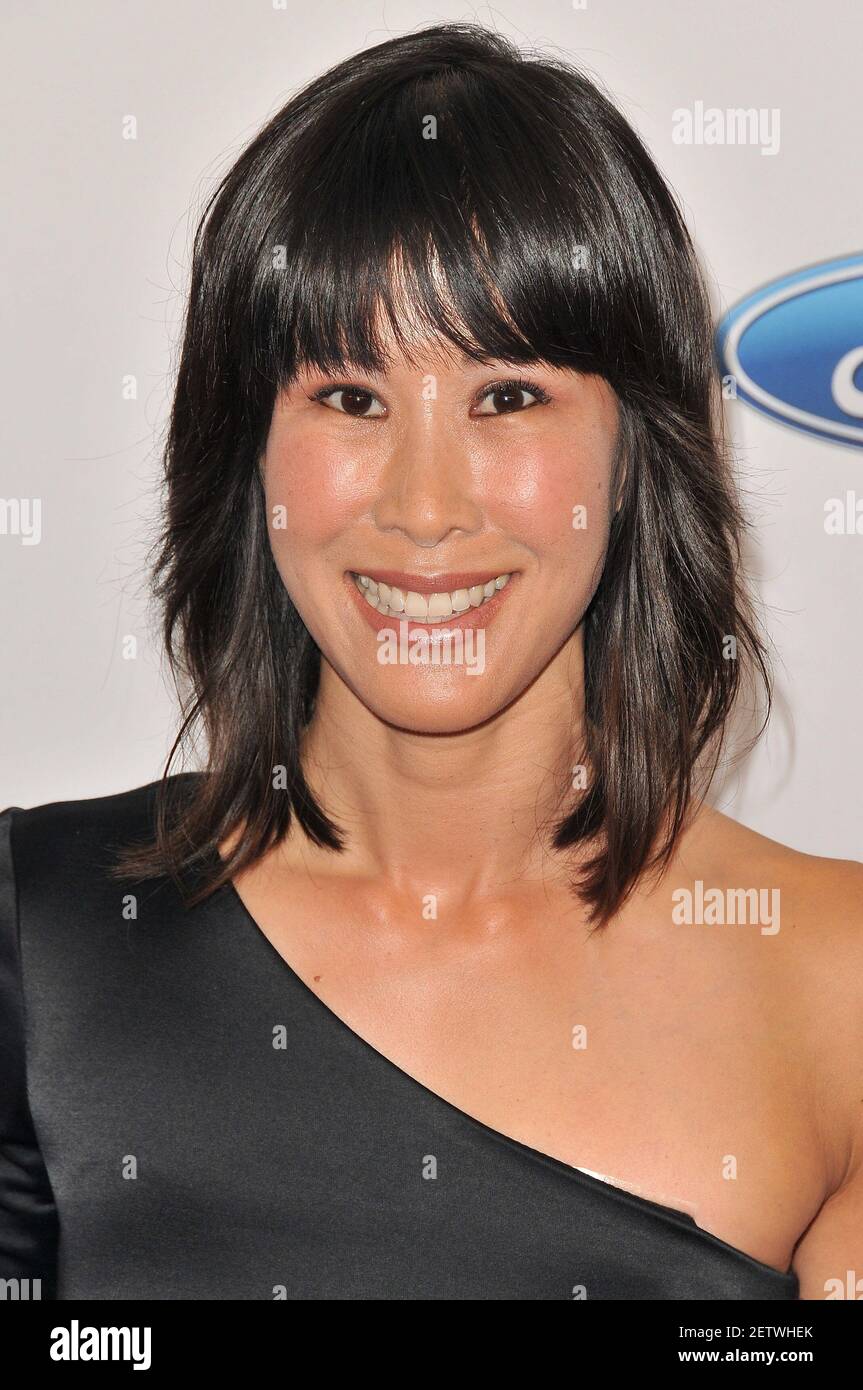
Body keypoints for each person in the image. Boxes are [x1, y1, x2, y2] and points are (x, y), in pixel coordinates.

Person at [1, 22, 860, 1302]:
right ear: (248, 451)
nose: (423, 505)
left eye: (507, 396)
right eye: (348, 398)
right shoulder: (40, 933)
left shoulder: (835, 978)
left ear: (635, 452)